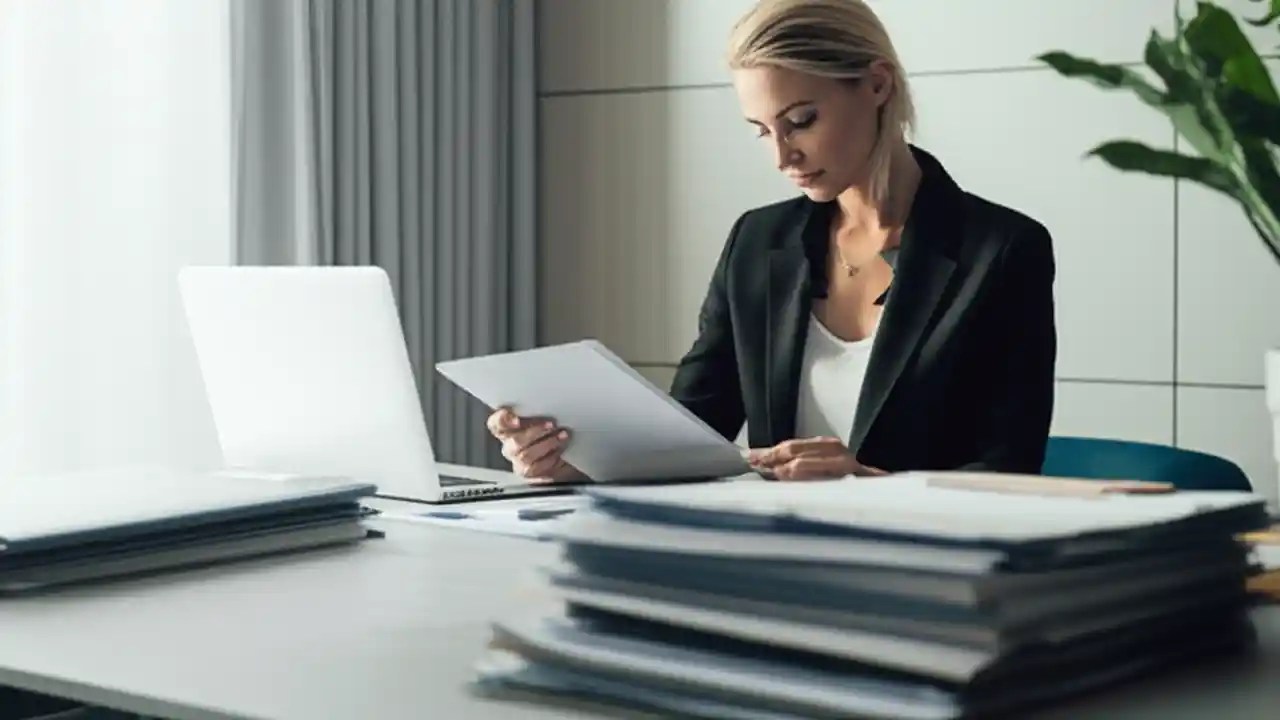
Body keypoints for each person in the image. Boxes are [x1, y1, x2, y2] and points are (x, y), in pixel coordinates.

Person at [487, 0, 1056, 482]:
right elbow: (690, 431)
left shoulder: (1002, 251)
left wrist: (864, 482)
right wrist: (576, 460)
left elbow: (1009, 473)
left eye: (801, 120)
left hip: (926, 576)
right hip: (768, 560)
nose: (782, 156)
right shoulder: (758, 242)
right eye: (762, 130)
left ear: (877, 85)